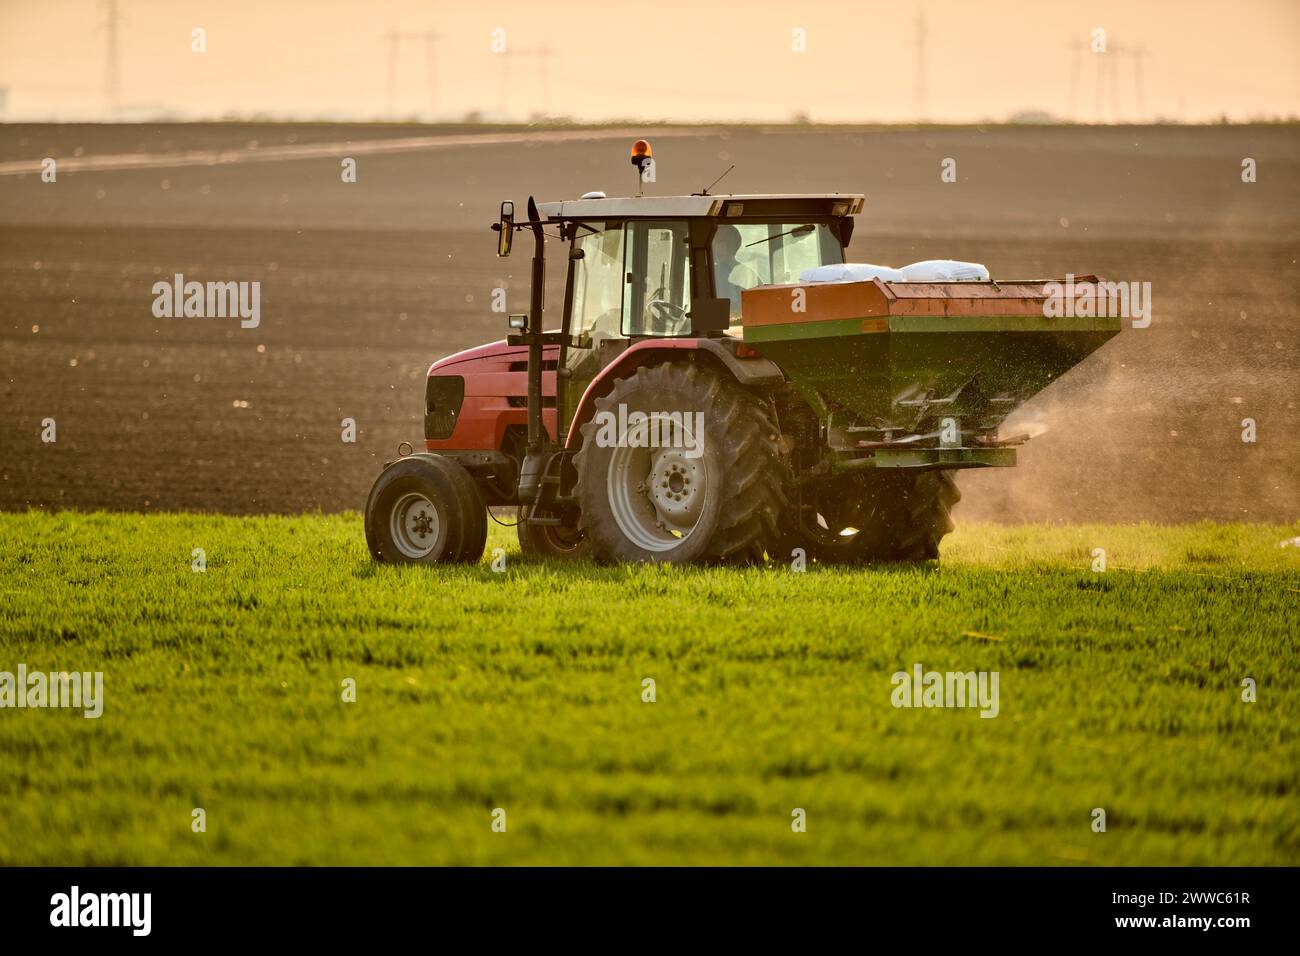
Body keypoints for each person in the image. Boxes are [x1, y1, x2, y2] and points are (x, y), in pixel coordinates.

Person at [712, 225, 763, 320]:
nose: (710, 247)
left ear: (723, 246)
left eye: (712, 243)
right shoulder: (749, 273)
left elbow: (727, 311)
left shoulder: (718, 273)